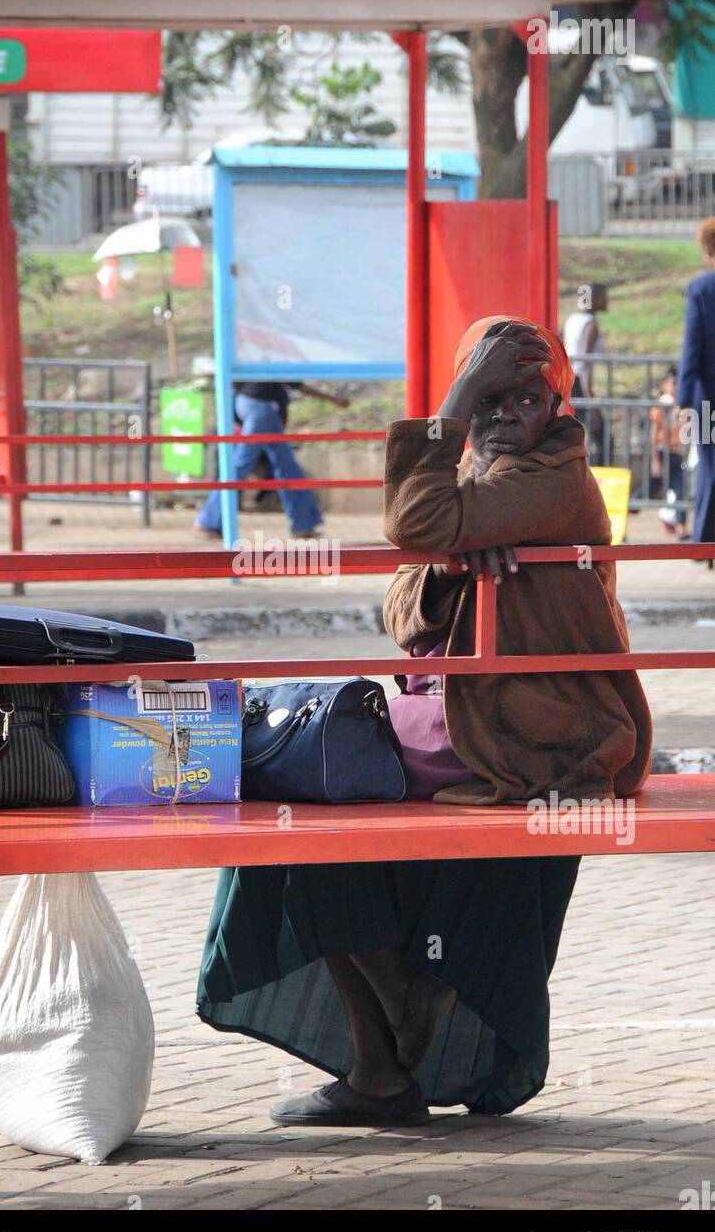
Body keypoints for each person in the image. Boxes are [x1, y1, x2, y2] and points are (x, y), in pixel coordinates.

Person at [196, 318, 651, 1127]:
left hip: (531, 733)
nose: (501, 413)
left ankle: (390, 1034)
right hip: (462, 717)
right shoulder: (475, 475)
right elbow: (400, 599)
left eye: (522, 396)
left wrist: (452, 443)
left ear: (558, 403)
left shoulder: (555, 473)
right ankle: (380, 1062)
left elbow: (412, 525)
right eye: (486, 399)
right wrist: (447, 568)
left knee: (302, 772)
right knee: (292, 806)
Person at [194, 380, 349, 539]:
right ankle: (208, 520)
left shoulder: (253, 359)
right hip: (261, 407)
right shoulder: (272, 360)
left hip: (250, 404)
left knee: (284, 466)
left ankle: (304, 523)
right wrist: (333, 399)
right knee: (251, 465)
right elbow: (295, 382)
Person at [676, 216, 715, 547]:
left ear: (707, 249)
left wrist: (683, 399)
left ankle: (705, 540)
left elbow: (693, 346)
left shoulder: (701, 289)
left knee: (709, 465)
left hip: (707, 396)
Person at [562, 281, 607, 460]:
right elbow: (584, 361)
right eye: (603, 296)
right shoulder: (590, 324)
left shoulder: (572, 319)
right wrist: (590, 398)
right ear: (594, 299)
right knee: (600, 435)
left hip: (569, 381)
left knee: (584, 434)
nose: (606, 300)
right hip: (580, 382)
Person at [649, 368, 688, 537]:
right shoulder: (662, 404)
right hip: (662, 452)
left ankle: (681, 525)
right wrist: (655, 460)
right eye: (673, 383)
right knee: (650, 489)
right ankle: (629, 508)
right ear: (664, 385)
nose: (676, 386)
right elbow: (653, 433)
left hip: (676, 453)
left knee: (681, 489)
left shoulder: (680, 404)